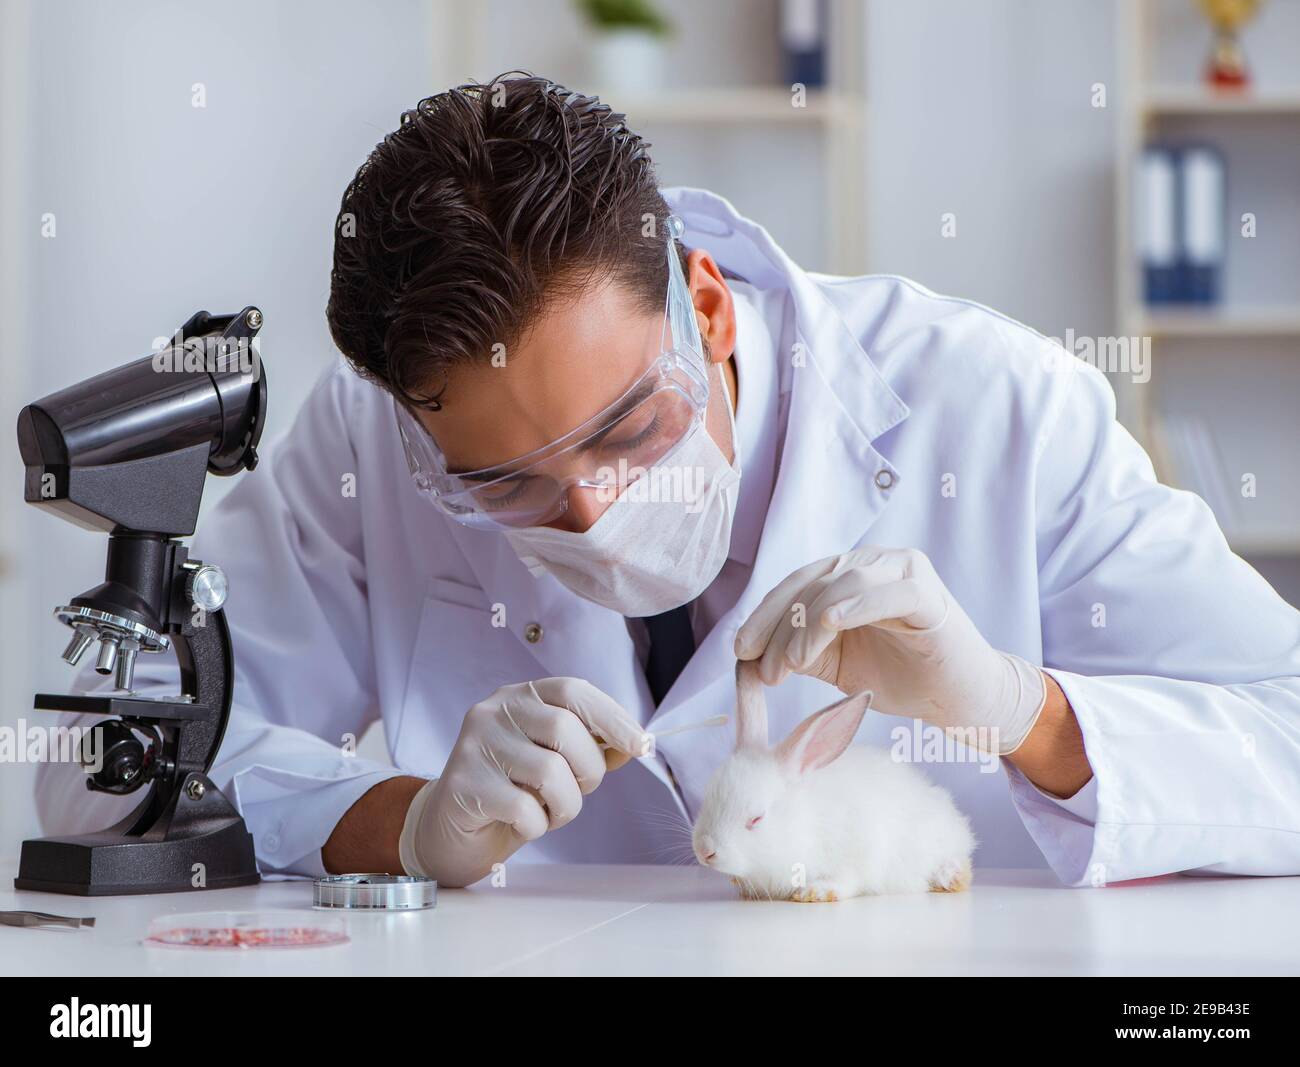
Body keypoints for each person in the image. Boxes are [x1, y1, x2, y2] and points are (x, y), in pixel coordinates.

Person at [38, 75, 1300, 890]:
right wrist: (405, 821)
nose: (588, 511)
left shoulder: (999, 406)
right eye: (508, 486)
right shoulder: (375, 442)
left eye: (629, 427)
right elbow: (103, 772)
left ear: (703, 302)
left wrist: (1029, 715)